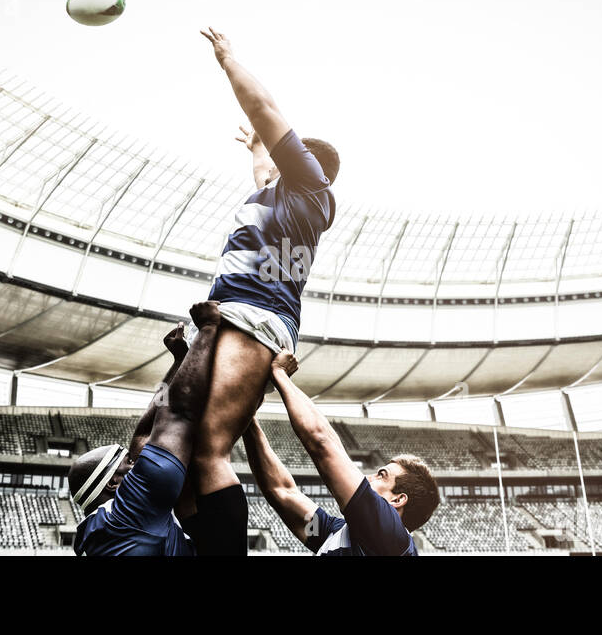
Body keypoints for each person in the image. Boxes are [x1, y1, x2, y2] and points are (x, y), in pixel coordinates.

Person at [186, 27, 342, 555]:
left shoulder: (311, 188)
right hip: (235, 314)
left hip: (254, 316)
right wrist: (255, 148)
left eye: (280, 156)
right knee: (183, 442)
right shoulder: (277, 194)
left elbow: (266, 106)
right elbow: (262, 168)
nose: (271, 163)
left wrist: (228, 60)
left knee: (208, 448)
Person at [242, 350, 440, 555]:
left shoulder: (391, 537)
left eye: (381, 475)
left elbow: (322, 442)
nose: (367, 477)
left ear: (397, 500)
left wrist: (280, 373)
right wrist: (247, 418)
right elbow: (282, 491)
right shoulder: (336, 532)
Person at [69, 301, 222, 556]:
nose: (135, 460)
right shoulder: (133, 506)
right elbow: (177, 413)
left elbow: (144, 432)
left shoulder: (107, 524)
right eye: (126, 460)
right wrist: (208, 330)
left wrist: (178, 362)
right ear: (113, 483)